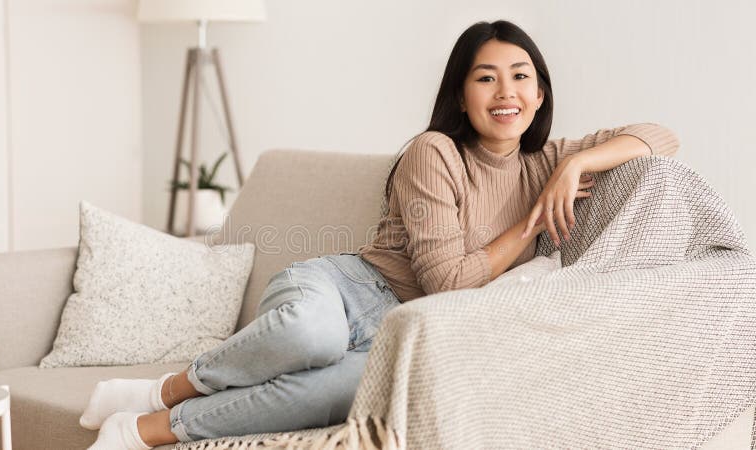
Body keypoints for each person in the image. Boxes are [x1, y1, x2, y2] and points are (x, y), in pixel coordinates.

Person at [85, 19, 679, 449]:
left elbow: (661, 136)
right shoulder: (434, 152)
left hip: (402, 336)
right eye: (487, 78)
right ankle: (168, 389)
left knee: (340, 395)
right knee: (310, 334)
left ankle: (145, 430)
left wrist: (575, 166)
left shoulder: (547, 159)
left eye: (521, 77)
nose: (507, 94)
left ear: (541, 92)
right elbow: (448, 282)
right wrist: (531, 222)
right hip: (349, 288)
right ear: (461, 94)